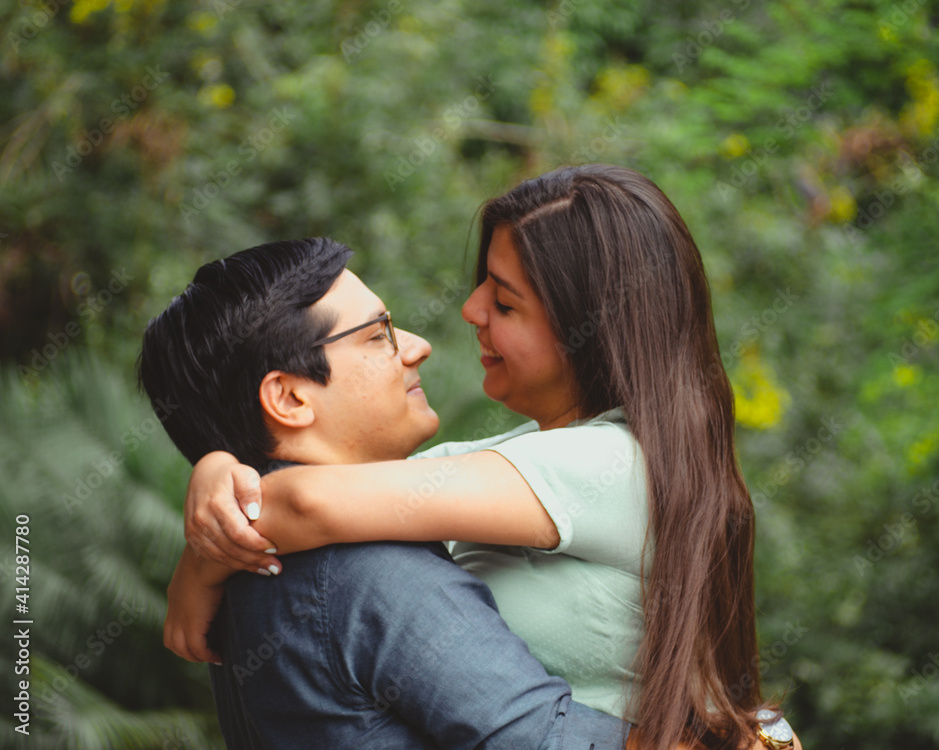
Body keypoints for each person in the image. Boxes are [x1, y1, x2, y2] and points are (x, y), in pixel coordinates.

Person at [181, 165, 798, 749]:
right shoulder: (508, 462)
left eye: (505, 304)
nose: (470, 310)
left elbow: (306, 502)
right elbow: (335, 486)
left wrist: (200, 558)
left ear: (590, 333)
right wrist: (220, 471)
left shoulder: (614, 465)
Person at [139, 237, 636, 748]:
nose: (417, 346)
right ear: (289, 397)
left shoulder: (243, 566)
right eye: (379, 334)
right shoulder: (373, 569)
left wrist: (212, 496)